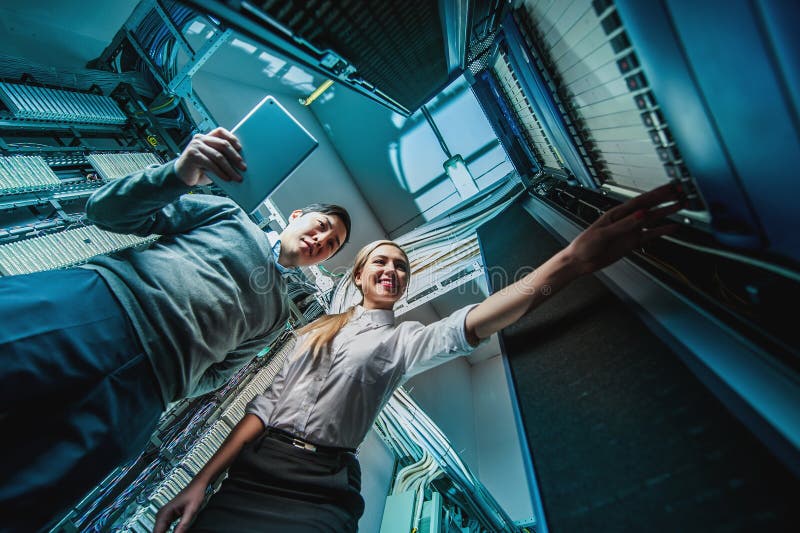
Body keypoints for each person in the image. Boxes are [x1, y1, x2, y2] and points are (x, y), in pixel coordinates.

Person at [153, 183, 683, 533]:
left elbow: (476, 320)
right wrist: (203, 480)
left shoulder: (403, 339)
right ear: (357, 275)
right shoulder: (315, 331)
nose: (392, 270)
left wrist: (571, 261)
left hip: (317, 495)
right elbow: (260, 412)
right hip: (251, 477)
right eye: (380, 262)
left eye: (401, 267)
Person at [0, 127, 351, 532]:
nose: (322, 239)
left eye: (333, 244)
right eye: (322, 225)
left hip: (140, 395)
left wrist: (169, 382)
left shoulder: (276, 317)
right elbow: (106, 212)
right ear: (296, 216)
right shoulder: (230, 218)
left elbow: (219, 374)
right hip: (96, 310)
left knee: (25, 493)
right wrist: (180, 173)